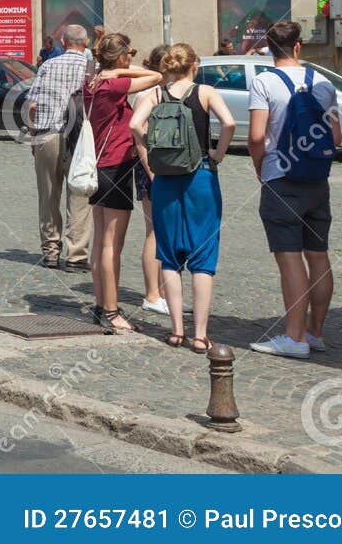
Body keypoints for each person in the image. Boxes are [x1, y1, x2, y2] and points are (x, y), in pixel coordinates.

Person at [129, 43, 235, 353]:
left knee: (170, 255)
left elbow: (135, 124)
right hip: (201, 175)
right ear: (194, 66)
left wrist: (151, 156)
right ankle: (199, 335)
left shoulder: (156, 94)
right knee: (203, 256)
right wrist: (218, 152)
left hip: (165, 180)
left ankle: (176, 331)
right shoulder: (205, 92)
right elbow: (228, 123)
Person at [246, 19, 340, 359]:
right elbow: (337, 137)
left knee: (290, 261)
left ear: (270, 48)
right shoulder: (324, 82)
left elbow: (256, 136)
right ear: (298, 46)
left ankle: (294, 338)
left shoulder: (264, 81)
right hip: (317, 179)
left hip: (281, 179)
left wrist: (260, 167)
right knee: (319, 256)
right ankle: (315, 332)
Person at [83, 33, 162, 332]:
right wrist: (118, 72)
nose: (132, 58)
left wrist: (110, 70)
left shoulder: (91, 83)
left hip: (98, 167)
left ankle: (100, 304)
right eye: (128, 54)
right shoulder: (113, 84)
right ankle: (112, 312)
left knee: (101, 240)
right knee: (111, 245)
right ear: (120, 57)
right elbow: (156, 75)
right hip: (114, 168)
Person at [24, 25, 95, 271]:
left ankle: (51, 252)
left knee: (48, 196)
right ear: (86, 43)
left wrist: (33, 135)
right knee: (79, 195)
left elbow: (31, 106)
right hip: (79, 138)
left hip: (47, 136)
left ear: (63, 41)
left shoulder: (48, 65)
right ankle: (76, 255)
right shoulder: (92, 69)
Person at [133, 45, 171, 317]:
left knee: (167, 231)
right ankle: (152, 294)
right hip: (151, 167)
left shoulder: (166, 92)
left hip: (165, 167)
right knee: (155, 231)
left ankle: (167, 291)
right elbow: (139, 137)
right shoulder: (148, 94)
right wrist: (151, 171)